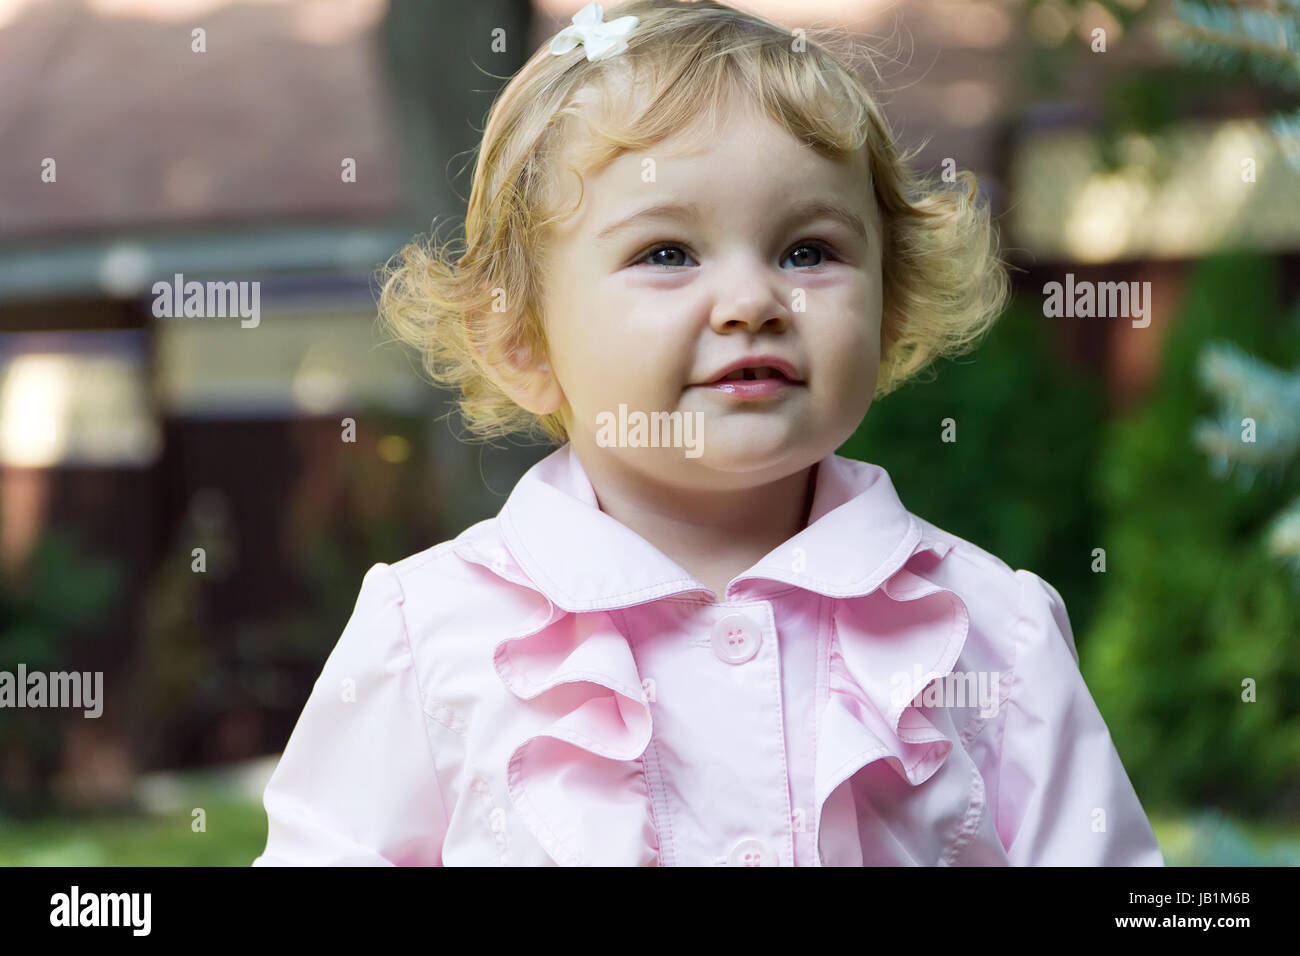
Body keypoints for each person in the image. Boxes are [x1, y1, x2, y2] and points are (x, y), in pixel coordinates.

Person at [252, 0, 1163, 866]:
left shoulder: (990, 632)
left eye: (809, 251)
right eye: (668, 254)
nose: (752, 302)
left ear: (891, 311)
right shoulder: (432, 635)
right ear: (523, 340)